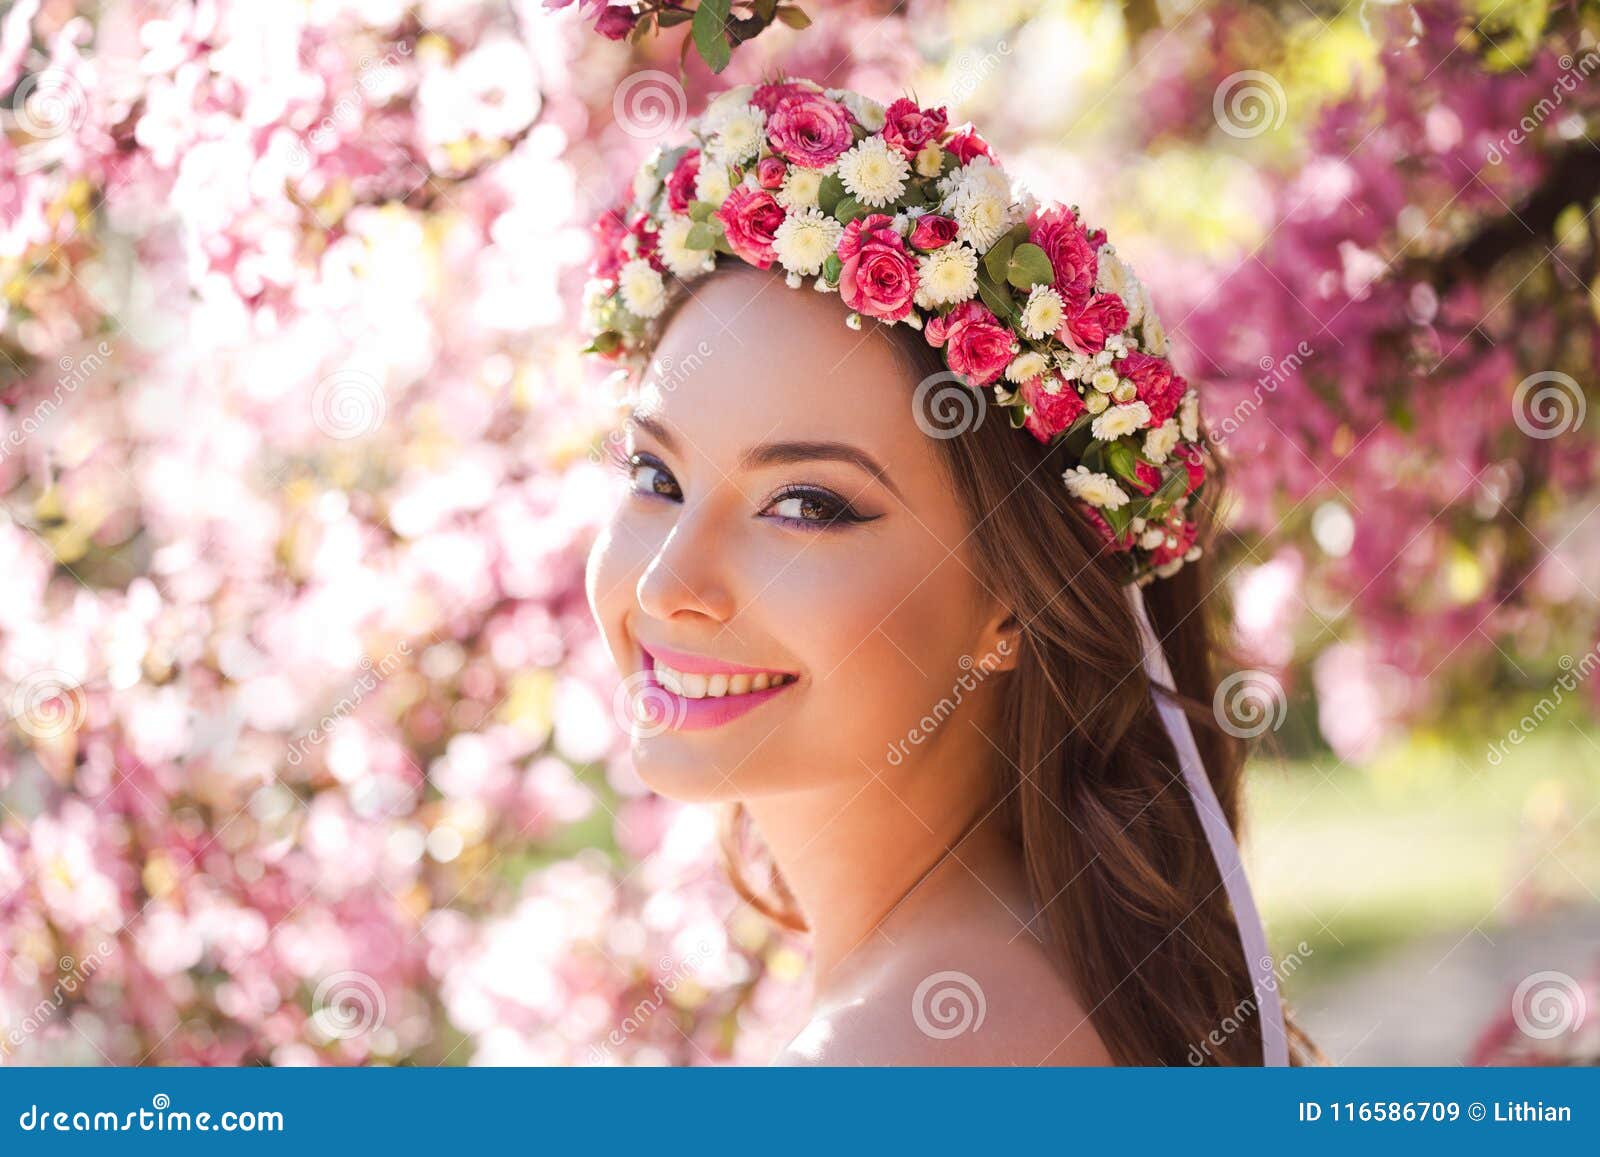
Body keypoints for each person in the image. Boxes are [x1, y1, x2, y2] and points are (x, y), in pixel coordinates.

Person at [582, 77, 1314, 1065]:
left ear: (1011, 598)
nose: (670, 584)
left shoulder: (894, 1054)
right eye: (654, 474)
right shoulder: (1036, 976)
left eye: (804, 505)